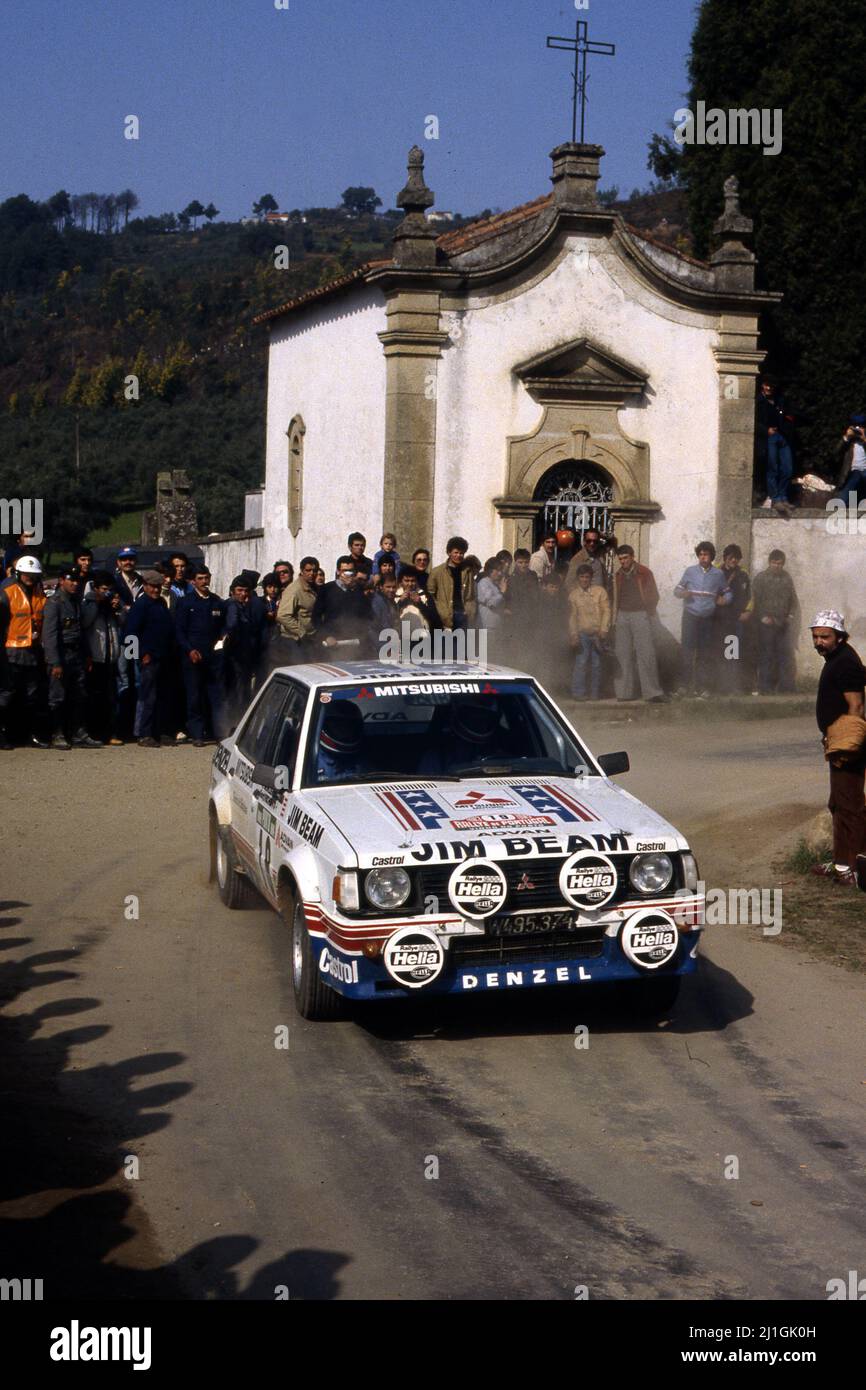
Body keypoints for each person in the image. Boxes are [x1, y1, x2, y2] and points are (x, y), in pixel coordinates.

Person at [809, 610, 866, 887]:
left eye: (825, 637)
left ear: (840, 637)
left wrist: (847, 745)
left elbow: (856, 706)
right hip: (837, 740)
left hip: (847, 745)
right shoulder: (836, 658)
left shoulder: (845, 663)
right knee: (838, 804)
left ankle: (855, 869)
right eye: (816, 636)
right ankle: (841, 863)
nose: (819, 642)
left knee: (850, 805)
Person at [43, 568, 103, 749]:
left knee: (79, 695)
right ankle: (57, 732)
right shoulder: (55, 603)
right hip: (61, 655)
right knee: (57, 697)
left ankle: (78, 732)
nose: (75, 583)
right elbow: (50, 635)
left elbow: (80, 630)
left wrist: (87, 655)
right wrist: (54, 662)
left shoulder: (75, 601)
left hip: (76, 655)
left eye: (77, 580)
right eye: (71, 580)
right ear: (62, 580)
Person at [123, 570, 176, 747]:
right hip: (148, 658)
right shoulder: (141, 605)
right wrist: (138, 656)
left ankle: (158, 732)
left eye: (158, 587)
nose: (156, 590)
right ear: (145, 586)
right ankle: (144, 733)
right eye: (153, 587)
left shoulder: (160, 603)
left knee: (162, 695)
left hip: (163, 656)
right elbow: (130, 633)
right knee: (148, 696)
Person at [175, 566, 227, 745]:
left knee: (216, 695)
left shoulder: (217, 602)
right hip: (193, 657)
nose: (204, 582)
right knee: (194, 695)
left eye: (206, 578)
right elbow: (180, 631)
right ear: (193, 581)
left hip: (213, 657)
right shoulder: (186, 602)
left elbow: (223, 628)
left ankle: (218, 732)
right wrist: (189, 650)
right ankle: (197, 734)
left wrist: (223, 640)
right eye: (200, 578)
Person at [0, 554, 48, 748]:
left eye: (33, 574)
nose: (30, 577)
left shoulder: (39, 591)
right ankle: (3, 735)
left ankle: (29, 734)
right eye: (27, 574)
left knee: (32, 695)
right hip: (11, 650)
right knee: (7, 693)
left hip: (33, 650)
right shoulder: (6, 591)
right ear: (19, 573)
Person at [674, 541, 731, 696]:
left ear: (711, 556)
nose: (703, 557)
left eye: (706, 554)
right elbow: (677, 590)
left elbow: (727, 592)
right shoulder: (690, 571)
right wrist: (682, 593)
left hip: (707, 618)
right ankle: (684, 687)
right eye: (700, 554)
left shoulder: (718, 574)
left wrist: (724, 600)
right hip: (690, 617)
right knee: (687, 652)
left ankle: (702, 688)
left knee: (704, 653)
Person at [611, 545, 665, 702]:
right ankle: (623, 693)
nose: (623, 561)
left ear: (632, 557)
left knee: (645, 653)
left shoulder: (645, 572)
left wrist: (648, 610)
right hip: (622, 615)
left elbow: (654, 595)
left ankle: (652, 692)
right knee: (622, 654)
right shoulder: (618, 574)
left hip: (641, 614)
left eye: (626, 558)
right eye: (620, 559)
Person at [82, 569, 124, 744]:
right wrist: (98, 603)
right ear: (96, 588)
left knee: (112, 697)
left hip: (111, 657)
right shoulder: (89, 603)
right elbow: (85, 622)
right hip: (95, 657)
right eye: (104, 589)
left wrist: (117, 609)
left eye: (110, 589)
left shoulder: (111, 605)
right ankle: (95, 732)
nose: (107, 593)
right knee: (95, 698)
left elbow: (124, 624)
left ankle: (111, 732)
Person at [751, 550, 797, 695]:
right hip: (766, 623)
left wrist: (790, 615)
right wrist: (761, 617)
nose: (777, 566)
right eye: (774, 563)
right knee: (766, 655)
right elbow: (754, 601)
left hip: (783, 623)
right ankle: (765, 687)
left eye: (780, 564)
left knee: (785, 655)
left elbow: (793, 600)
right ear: (769, 562)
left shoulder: (787, 578)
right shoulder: (761, 578)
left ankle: (785, 688)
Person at [224, 575, 265, 722]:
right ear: (232, 591)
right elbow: (232, 626)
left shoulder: (243, 607)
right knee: (237, 693)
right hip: (235, 657)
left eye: (245, 591)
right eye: (239, 590)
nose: (243, 594)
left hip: (244, 657)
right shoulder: (232, 606)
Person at [312, 556, 372, 654]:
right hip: (333, 644)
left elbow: (367, 615)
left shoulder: (359, 591)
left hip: (355, 644)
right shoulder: (326, 590)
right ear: (338, 572)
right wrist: (326, 636)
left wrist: (363, 635)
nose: (348, 574)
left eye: (351, 571)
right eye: (345, 571)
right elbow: (316, 617)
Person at [568, 563, 610, 700]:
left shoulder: (600, 592)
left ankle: (594, 693)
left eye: (587, 577)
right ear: (578, 578)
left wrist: (604, 629)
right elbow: (572, 616)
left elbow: (606, 611)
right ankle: (578, 693)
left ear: (591, 578)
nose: (584, 580)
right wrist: (573, 634)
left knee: (597, 664)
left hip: (597, 634)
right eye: (582, 577)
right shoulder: (573, 596)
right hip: (582, 634)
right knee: (581, 662)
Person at [714, 544, 752, 693]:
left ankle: (732, 686)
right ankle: (719, 686)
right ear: (725, 558)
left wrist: (748, 611)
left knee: (733, 653)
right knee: (718, 651)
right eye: (730, 558)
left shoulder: (743, 574)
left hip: (735, 620)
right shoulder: (716, 572)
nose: (733, 560)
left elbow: (750, 595)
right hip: (718, 619)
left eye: (736, 558)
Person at [756, 378, 795, 515]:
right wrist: (766, 430)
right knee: (772, 468)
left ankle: (783, 496)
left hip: (782, 436)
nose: (769, 388)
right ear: (762, 385)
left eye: (771, 385)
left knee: (788, 468)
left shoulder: (780, 400)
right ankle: (775, 498)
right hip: (769, 437)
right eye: (767, 385)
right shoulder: (758, 401)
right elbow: (752, 421)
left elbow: (789, 416)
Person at [426, 537, 477, 632]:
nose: (458, 555)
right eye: (456, 552)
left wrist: (470, 611)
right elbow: (430, 594)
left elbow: (471, 595)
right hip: (445, 617)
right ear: (449, 553)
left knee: (462, 646)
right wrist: (440, 612)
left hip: (463, 615)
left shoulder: (467, 571)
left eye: (461, 553)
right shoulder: (437, 572)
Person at [277, 555, 319, 661]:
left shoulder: (313, 587)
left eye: (314, 571)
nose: (311, 574)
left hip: (311, 638)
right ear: (302, 571)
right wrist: (302, 632)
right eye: (308, 570)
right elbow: (283, 615)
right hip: (295, 641)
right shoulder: (294, 590)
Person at [316, 701, 365, 782]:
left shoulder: (363, 760)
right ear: (324, 726)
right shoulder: (311, 761)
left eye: (349, 725)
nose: (344, 730)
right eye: (337, 725)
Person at [833, 417, 866, 508]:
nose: (857, 430)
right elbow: (835, 452)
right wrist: (846, 437)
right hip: (853, 471)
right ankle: (841, 503)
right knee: (855, 477)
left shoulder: (864, 440)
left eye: (860, 427)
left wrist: (864, 439)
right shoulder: (849, 442)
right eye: (855, 427)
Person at [476, 557, 508, 632]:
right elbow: (491, 603)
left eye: (501, 570)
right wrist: (502, 592)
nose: (500, 573)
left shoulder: (494, 584)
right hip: (486, 627)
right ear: (490, 570)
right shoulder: (484, 583)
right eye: (497, 570)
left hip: (496, 626)